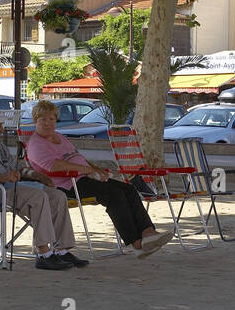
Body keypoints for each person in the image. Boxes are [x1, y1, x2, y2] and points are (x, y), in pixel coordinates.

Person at [25, 100, 173, 257]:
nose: (48, 123)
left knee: (128, 189)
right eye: (43, 120)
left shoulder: (59, 136)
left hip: (84, 178)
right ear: (35, 121)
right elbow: (54, 166)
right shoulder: (36, 144)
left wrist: (96, 170)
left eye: (51, 119)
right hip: (66, 184)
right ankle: (135, 244)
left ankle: (148, 232)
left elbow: (78, 157)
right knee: (113, 194)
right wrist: (87, 170)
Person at [0, 105, 87, 270]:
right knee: (37, 197)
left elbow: (17, 167)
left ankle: (61, 250)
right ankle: (44, 254)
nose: (1, 129)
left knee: (57, 196)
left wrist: (38, 176)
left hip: (9, 188)